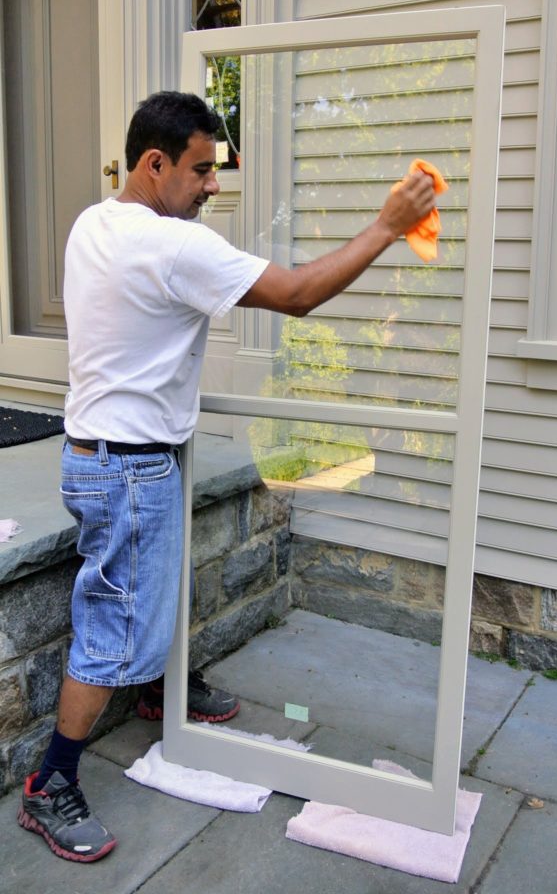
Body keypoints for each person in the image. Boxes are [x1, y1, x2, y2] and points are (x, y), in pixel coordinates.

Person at [17, 91, 436, 862]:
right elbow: (300, 293)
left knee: (147, 591)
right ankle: (52, 783)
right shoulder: (176, 248)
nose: (214, 186)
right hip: (130, 470)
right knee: (112, 629)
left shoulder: (93, 223)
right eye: (202, 170)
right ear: (155, 164)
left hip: (96, 456)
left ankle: (158, 690)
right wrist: (388, 225)